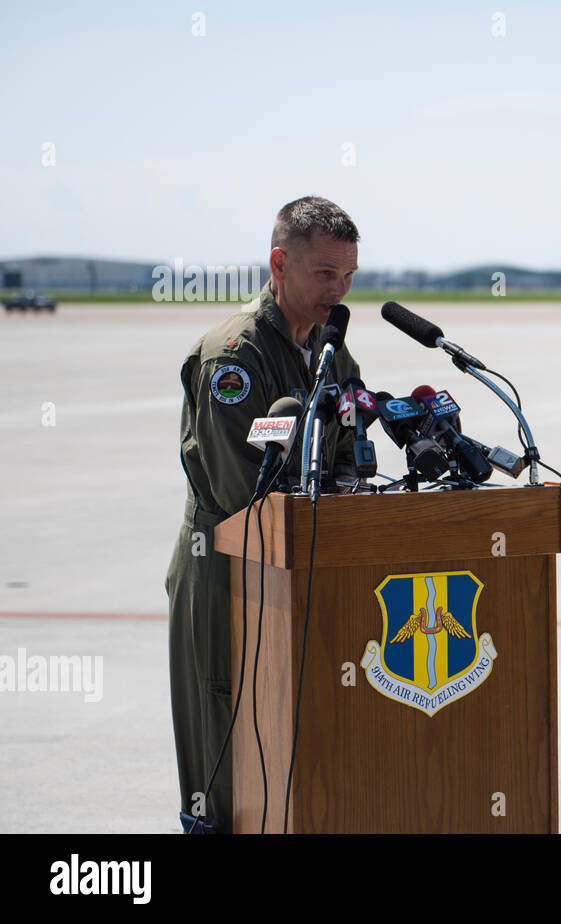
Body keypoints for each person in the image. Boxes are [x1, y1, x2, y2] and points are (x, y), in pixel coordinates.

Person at [165, 196, 364, 832]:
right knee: (227, 773)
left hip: (297, 577)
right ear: (280, 263)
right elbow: (241, 494)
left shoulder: (330, 352)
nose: (339, 290)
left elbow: (348, 453)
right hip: (228, 580)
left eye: (349, 276)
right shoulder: (235, 359)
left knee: (289, 757)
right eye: (325, 274)